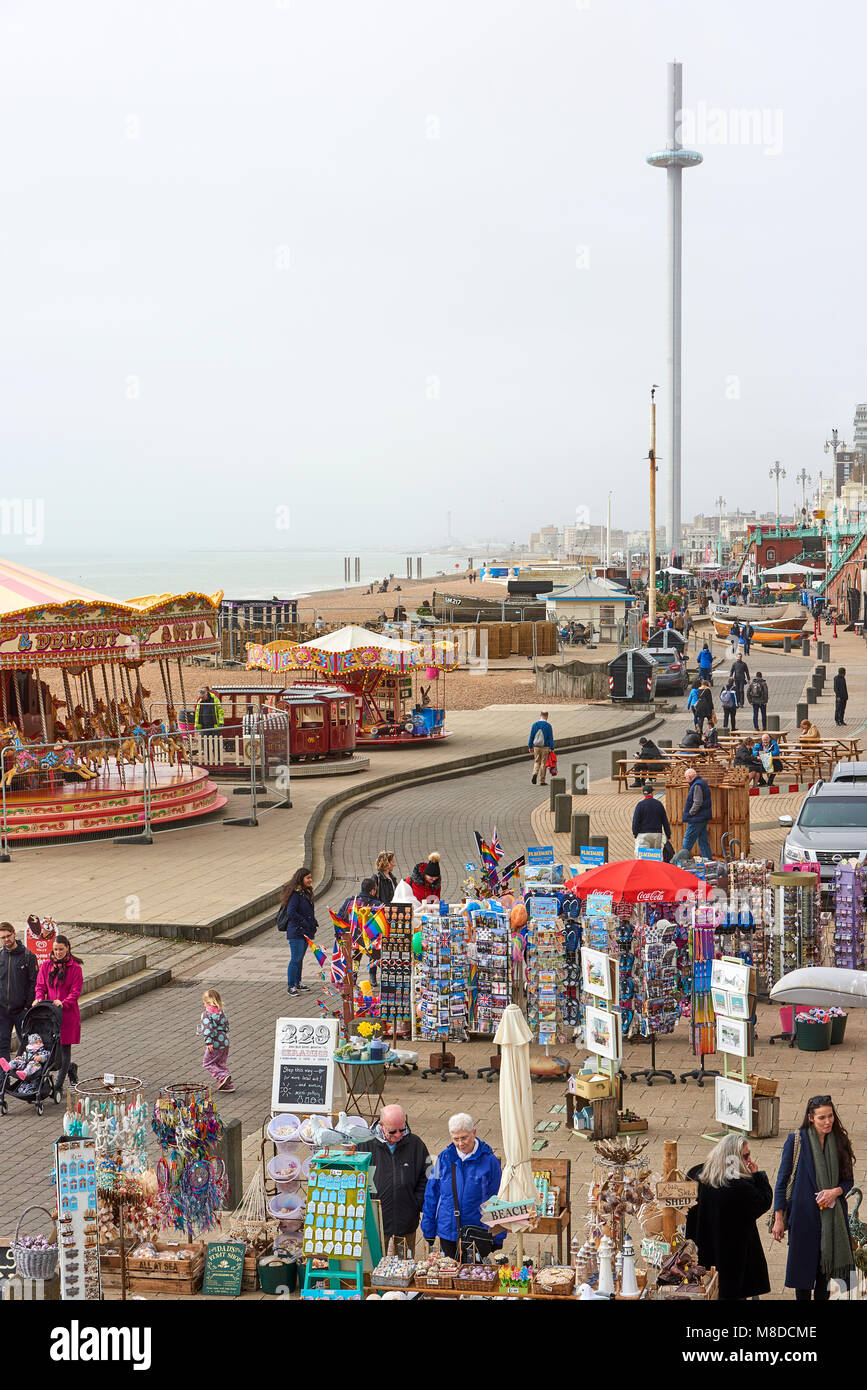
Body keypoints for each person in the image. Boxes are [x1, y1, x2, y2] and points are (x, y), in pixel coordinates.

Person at [771, 1095, 856, 1300]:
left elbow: (848, 1181)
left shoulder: (840, 1142)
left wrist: (834, 1192)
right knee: (802, 1275)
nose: (828, 1122)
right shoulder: (796, 1141)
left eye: (830, 1116)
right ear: (810, 1118)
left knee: (825, 1275)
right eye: (821, 1118)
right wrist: (779, 1219)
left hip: (832, 1217)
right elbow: (782, 1181)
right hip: (803, 1218)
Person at [685, 1134, 772, 1301]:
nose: (748, 1159)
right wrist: (757, 1176)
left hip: (706, 1248)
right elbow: (763, 1201)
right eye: (745, 1156)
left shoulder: (701, 1176)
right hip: (734, 1254)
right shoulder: (738, 1186)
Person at [421, 1113, 504, 1260]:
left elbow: (498, 1198)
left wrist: (498, 1236)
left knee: (473, 1278)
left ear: (474, 1133)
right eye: (456, 1139)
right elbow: (431, 1194)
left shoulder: (490, 1161)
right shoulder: (443, 1158)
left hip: (477, 1231)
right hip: (448, 1229)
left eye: (464, 1137)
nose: (460, 1143)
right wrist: (428, 1228)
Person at [357, 1104, 431, 1254]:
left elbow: (428, 1177)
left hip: (406, 1221)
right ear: (381, 1125)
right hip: (376, 1223)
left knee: (405, 1267)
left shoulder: (416, 1145)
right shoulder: (364, 1145)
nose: (398, 1135)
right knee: (375, 1267)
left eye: (402, 1129)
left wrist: (415, 1203)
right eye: (392, 1131)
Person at [34, 934, 83, 1095]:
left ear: (67, 948)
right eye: (55, 949)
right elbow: (40, 986)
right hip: (51, 1014)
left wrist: (64, 1002)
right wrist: (39, 998)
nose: (58, 952)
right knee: (52, 1048)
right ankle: (69, 1067)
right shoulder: (46, 966)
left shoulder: (75, 968)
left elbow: (75, 991)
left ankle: (59, 1084)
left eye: (61, 949)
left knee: (64, 1047)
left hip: (67, 1014)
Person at [0, 922, 38, 1064]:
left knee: (27, 1046)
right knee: (2, 1047)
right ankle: (3, 1082)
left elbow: (34, 983)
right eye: (2, 937)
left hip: (22, 1010)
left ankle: (27, 1080)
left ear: (14, 934)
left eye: (8, 936)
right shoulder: (0, 956)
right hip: (3, 1011)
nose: (6, 940)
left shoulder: (28, 956)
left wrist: (27, 1005)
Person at [278, 868, 317, 996]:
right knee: (295, 959)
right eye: (308, 878)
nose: (310, 880)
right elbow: (291, 912)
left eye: (310, 877)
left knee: (300, 958)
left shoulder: (305, 892)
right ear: (301, 879)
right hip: (296, 932)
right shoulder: (295, 894)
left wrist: (312, 923)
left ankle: (297, 982)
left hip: (305, 931)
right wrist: (304, 922)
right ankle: (291, 985)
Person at [198, 988, 233, 1092]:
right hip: (224, 1042)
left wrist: (208, 1041)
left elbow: (207, 1029)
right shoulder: (221, 1012)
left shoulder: (206, 1014)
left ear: (208, 1002)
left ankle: (223, 1077)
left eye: (204, 1002)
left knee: (207, 1063)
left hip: (214, 1042)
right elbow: (226, 1027)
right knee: (220, 1063)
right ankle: (228, 1085)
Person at [632, 782, 671, 856]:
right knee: (655, 858)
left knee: (643, 857)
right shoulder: (659, 804)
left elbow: (635, 821)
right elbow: (665, 821)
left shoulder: (640, 805)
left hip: (643, 834)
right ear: (652, 793)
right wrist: (668, 835)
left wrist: (635, 833)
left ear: (644, 794)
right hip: (657, 834)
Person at [682, 767, 713, 860]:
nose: (686, 780)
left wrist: (691, 813)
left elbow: (697, 802)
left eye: (686, 778)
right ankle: (708, 861)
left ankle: (681, 860)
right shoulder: (701, 783)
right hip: (702, 817)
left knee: (687, 840)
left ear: (689, 777)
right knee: (703, 841)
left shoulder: (697, 785)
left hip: (696, 818)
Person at [528, 710, 555, 786]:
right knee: (543, 763)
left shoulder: (535, 725)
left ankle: (534, 773)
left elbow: (531, 736)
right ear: (547, 716)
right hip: (545, 747)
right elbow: (550, 738)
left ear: (540, 715)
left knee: (537, 761)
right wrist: (552, 748)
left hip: (536, 747)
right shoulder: (548, 726)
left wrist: (530, 746)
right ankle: (542, 780)